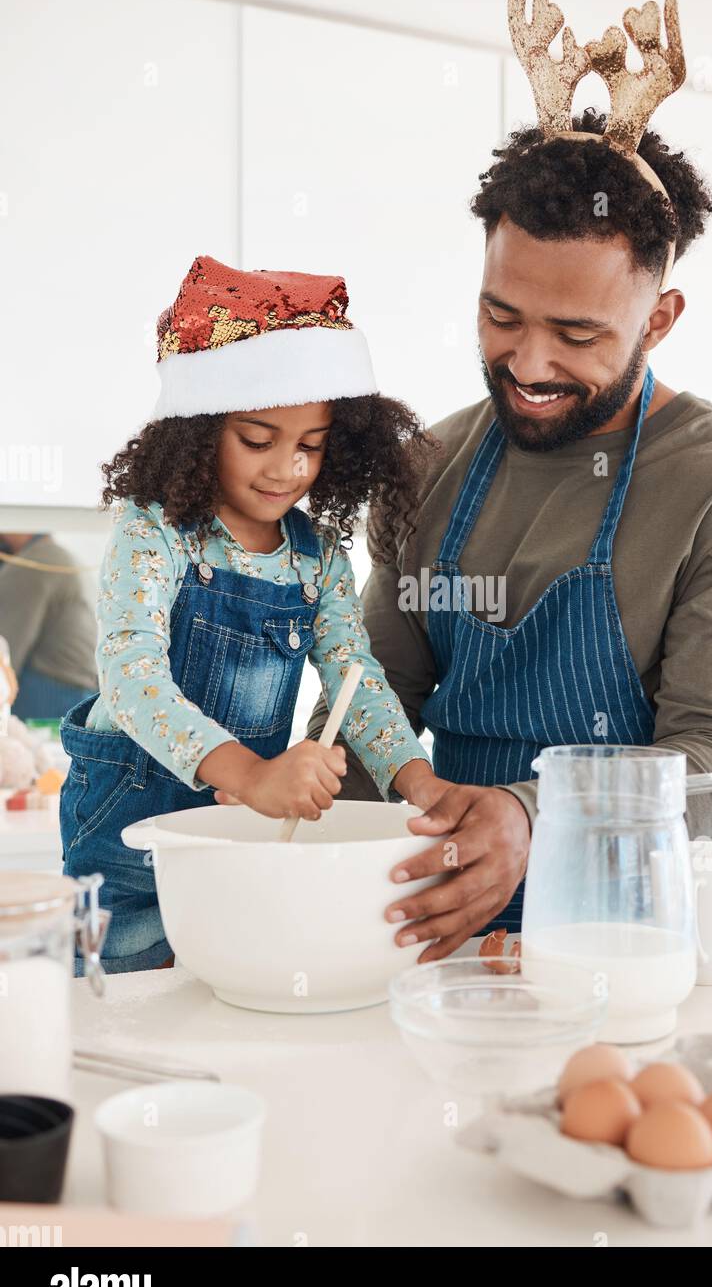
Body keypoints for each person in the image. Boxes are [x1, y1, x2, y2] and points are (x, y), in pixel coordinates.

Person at [306, 0, 712, 963]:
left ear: (657, 319)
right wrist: (293, 819)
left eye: (577, 333)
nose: (529, 365)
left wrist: (531, 819)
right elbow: (368, 702)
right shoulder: (428, 463)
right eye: (502, 317)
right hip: (436, 934)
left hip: (623, 948)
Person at [59, 257, 440, 974]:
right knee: (122, 1010)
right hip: (127, 829)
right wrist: (250, 775)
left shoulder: (317, 556)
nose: (287, 469)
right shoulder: (156, 532)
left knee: (218, 995)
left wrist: (420, 783)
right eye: (258, 440)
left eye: (312, 447)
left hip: (233, 836)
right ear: (198, 432)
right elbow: (131, 681)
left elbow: (357, 682)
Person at [0, 533, 96, 720]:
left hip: (51, 695)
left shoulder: (31, 564)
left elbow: (6, 653)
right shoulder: (60, 556)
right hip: (81, 693)